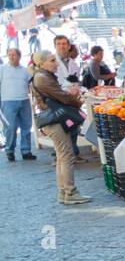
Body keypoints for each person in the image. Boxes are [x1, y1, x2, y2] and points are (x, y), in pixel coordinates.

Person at [31, 50, 89, 204]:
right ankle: (70, 192)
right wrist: (77, 101)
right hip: (54, 121)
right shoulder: (42, 78)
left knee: (62, 156)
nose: (56, 63)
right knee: (67, 155)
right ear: (42, 63)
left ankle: (64, 192)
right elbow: (61, 96)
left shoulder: (43, 76)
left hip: (53, 120)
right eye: (52, 60)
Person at [1, 48, 36, 161]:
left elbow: (30, 85)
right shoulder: (2, 69)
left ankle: (26, 151)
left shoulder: (25, 70)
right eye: (9, 55)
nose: (12, 57)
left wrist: (34, 99)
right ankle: (9, 150)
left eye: (14, 55)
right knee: (10, 127)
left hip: (24, 100)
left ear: (19, 56)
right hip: (8, 101)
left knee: (26, 126)